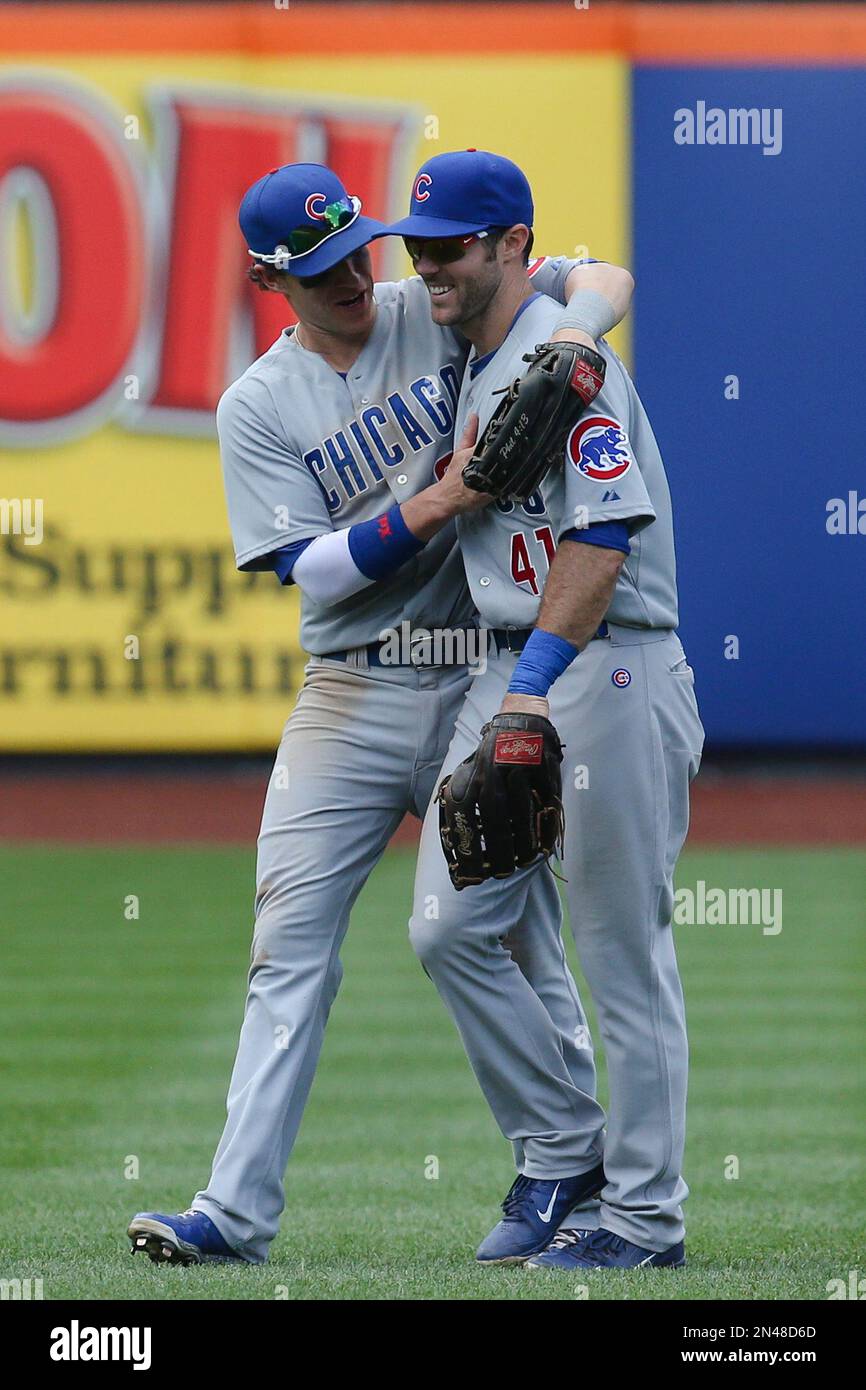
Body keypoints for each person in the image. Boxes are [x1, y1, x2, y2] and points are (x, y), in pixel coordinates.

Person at [126, 159, 636, 1265]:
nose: (353, 273)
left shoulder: (430, 303)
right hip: (351, 686)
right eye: (317, 266)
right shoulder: (259, 405)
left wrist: (575, 333)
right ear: (271, 280)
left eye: (357, 245)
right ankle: (231, 1212)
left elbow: (600, 272)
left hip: (476, 669)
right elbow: (309, 569)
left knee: (501, 931)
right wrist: (445, 495)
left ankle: (568, 1164)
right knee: (284, 944)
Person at [398, 150, 705, 1269]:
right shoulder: (480, 342)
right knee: (446, 928)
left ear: (510, 245)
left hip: (605, 664)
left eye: (452, 245)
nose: (428, 263)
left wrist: (527, 689)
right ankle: (568, 1150)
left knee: (621, 956)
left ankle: (642, 1218)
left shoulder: (565, 364)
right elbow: (601, 275)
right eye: (417, 244)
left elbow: (603, 537)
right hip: (516, 659)